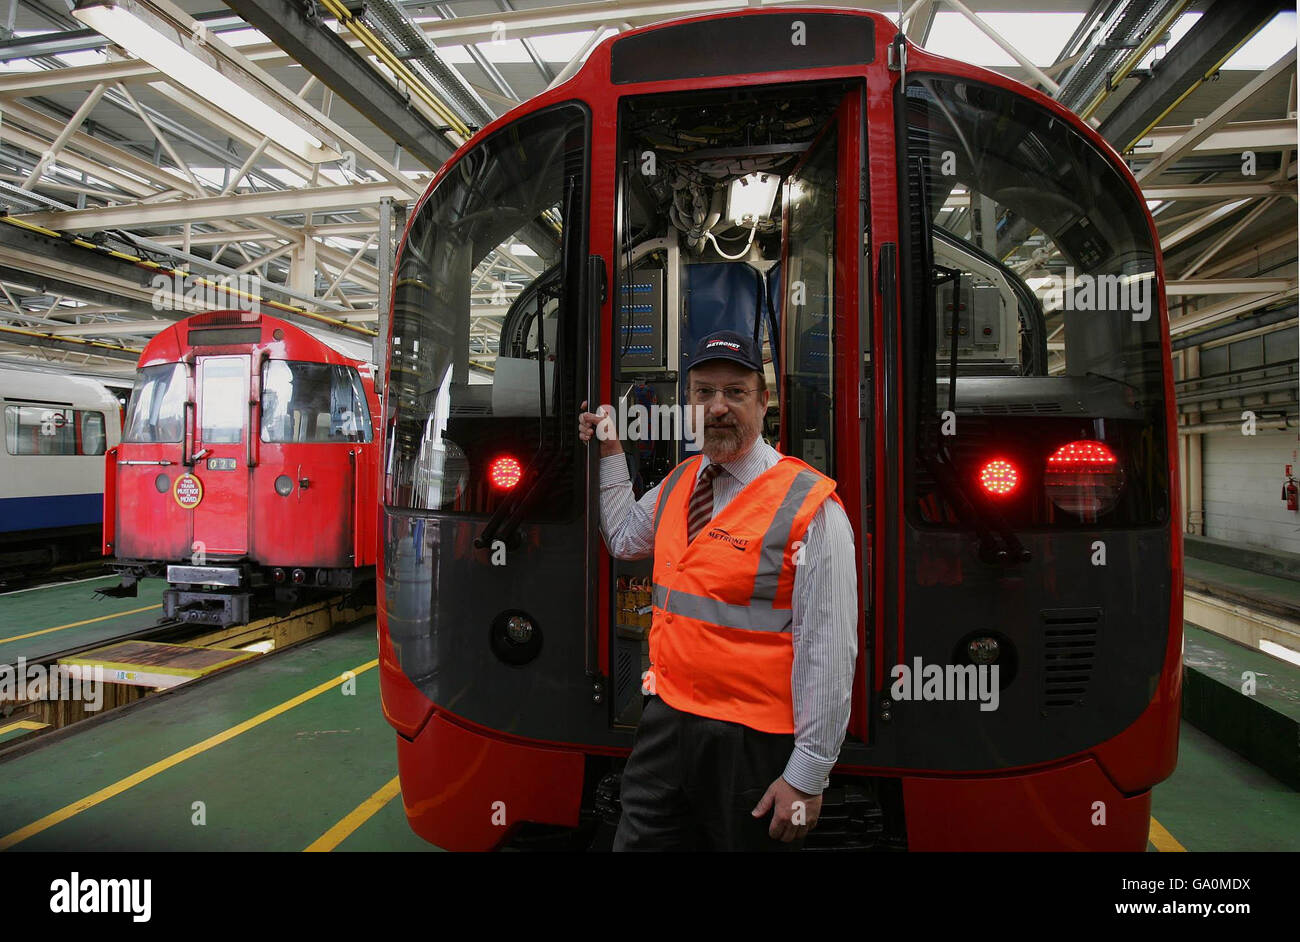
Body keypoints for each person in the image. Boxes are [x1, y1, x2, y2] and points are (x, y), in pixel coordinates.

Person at [578, 329, 858, 851]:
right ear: (689, 400)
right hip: (665, 723)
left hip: (751, 745)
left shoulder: (811, 507)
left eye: (736, 392)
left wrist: (807, 774)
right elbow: (621, 535)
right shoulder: (681, 481)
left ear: (764, 400)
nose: (718, 407)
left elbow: (829, 649)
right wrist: (612, 450)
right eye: (704, 392)